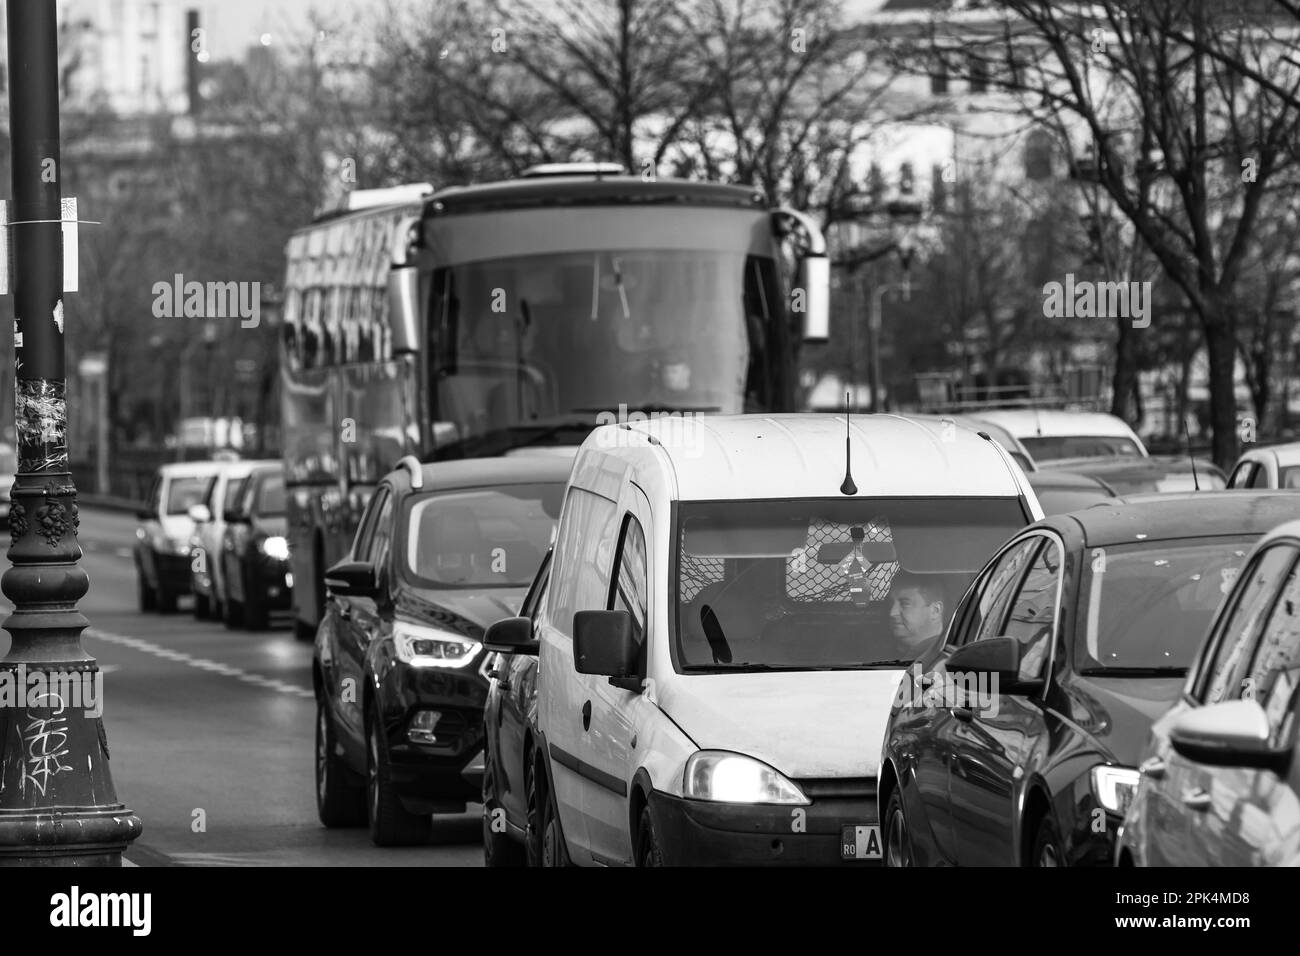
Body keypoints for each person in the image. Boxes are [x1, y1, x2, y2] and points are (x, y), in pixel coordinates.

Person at [888, 571, 948, 658]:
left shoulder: (944, 663)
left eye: (905, 604)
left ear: (935, 610)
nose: (892, 613)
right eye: (891, 603)